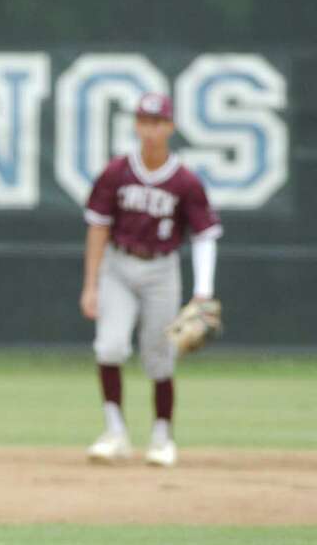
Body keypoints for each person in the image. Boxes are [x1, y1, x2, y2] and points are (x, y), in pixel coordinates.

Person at [78, 92, 222, 468]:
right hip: (119, 266)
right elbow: (97, 227)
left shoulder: (185, 181)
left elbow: (205, 235)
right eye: (144, 121)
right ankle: (115, 432)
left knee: (159, 357)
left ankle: (162, 436)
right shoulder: (116, 172)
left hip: (162, 270)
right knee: (109, 347)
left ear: (170, 127)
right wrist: (91, 284)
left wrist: (203, 291)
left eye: (157, 122)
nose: (150, 129)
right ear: (136, 125)